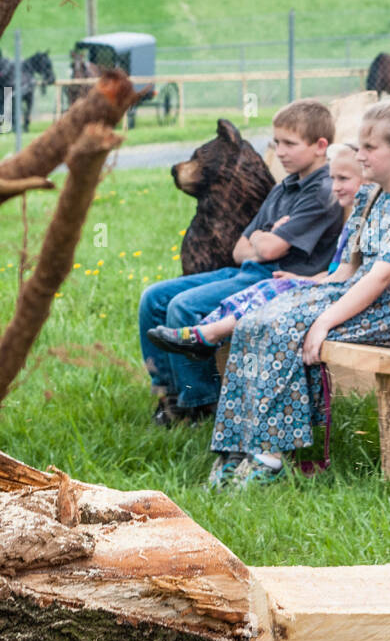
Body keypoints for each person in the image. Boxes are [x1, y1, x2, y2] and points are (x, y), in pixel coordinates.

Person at [206, 98, 390, 488]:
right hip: (358, 294)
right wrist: (301, 289)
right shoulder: (371, 196)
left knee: (286, 326)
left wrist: (321, 321)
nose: (360, 155)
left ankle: (269, 456)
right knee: (261, 317)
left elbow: (380, 279)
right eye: (359, 146)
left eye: (370, 148)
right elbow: (348, 271)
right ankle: (239, 443)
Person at [139, 99, 343, 427]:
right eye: (277, 142)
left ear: (321, 146)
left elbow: (272, 249)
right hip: (245, 271)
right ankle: (172, 395)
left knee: (183, 307)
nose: (280, 151)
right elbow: (239, 250)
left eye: (290, 144)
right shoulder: (284, 188)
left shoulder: (321, 191)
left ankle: (202, 404)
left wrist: (265, 241)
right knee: (154, 298)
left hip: (276, 281)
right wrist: (267, 240)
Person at [153, 143, 369, 358]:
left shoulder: (351, 214)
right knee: (268, 288)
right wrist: (306, 277)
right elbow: (239, 252)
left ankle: (207, 336)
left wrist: (262, 240)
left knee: (270, 289)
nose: (334, 186)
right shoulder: (346, 216)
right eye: (333, 179)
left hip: (334, 293)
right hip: (310, 280)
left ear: (367, 179)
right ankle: (203, 337)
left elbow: (346, 275)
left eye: (343, 179)